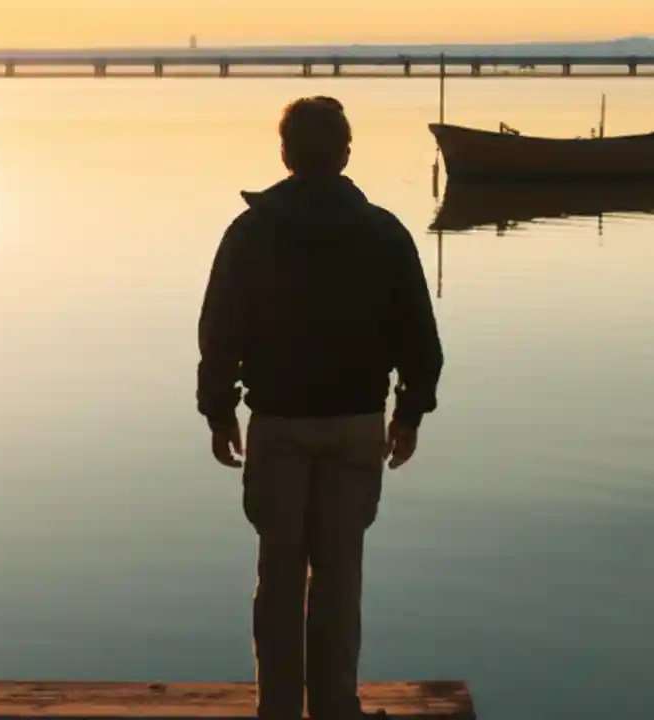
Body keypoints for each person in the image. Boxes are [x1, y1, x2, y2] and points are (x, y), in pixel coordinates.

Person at [197, 96, 444, 720]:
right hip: (356, 426)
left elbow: (220, 331)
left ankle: (277, 709)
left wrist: (220, 412)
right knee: (339, 577)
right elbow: (420, 336)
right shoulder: (384, 233)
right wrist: (409, 412)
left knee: (278, 577)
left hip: (277, 426)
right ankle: (335, 707)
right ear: (346, 152)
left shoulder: (250, 233)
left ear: (285, 154)